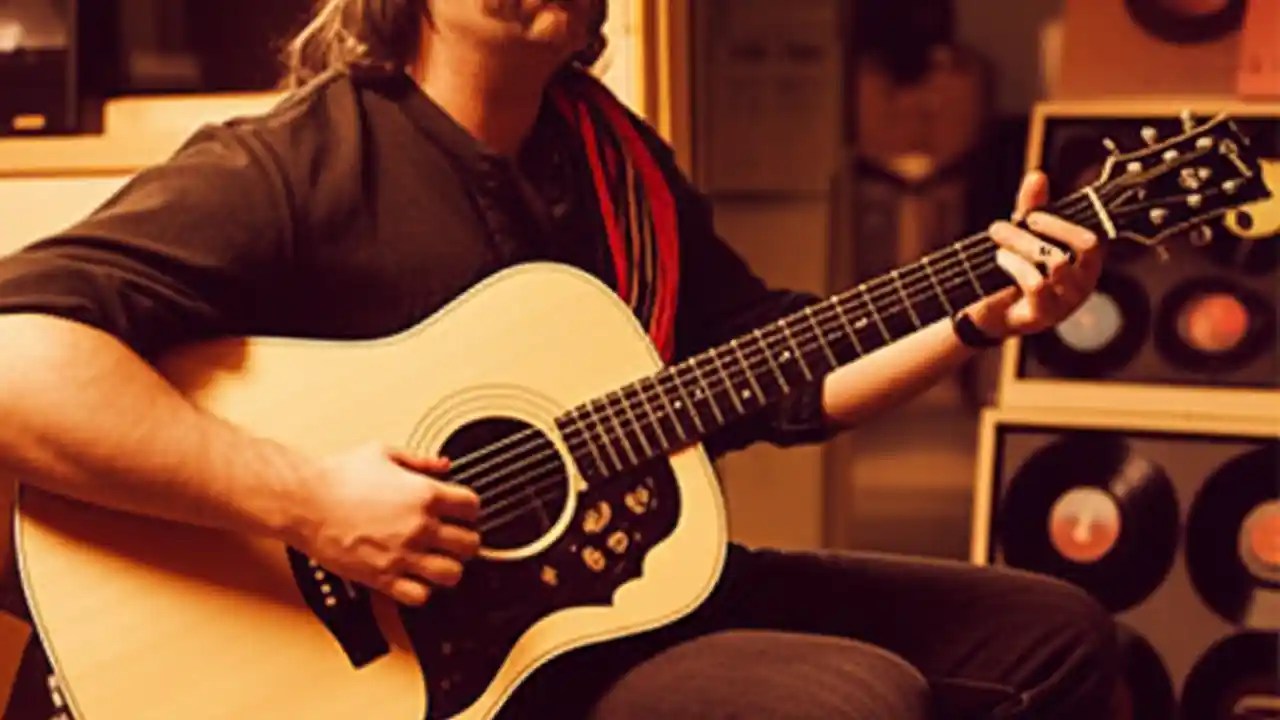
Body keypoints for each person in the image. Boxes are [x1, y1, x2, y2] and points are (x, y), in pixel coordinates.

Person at [0, 1, 1119, 718]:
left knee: (1053, 635)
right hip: (424, 665)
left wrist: (977, 313)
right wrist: (308, 500)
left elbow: (768, 373)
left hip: (620, 595)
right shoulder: (296, 165)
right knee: (842, 702)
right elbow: (18, 360)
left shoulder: (616, 164)